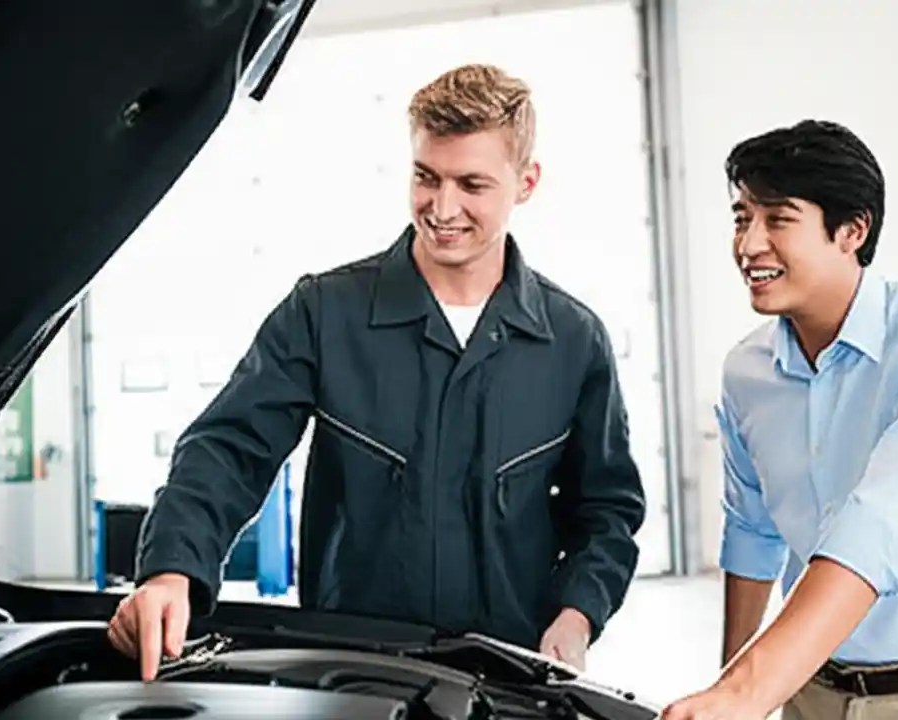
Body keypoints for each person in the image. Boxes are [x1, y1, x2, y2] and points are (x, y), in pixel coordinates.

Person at [107, 63, 647, 682]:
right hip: (353, 672)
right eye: (426, 177)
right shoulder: (323, 314)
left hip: (508, 676)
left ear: (525, 183)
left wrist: (577, 615)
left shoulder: (573, 342)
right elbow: (228, 450)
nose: (442, 207)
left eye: (472, 184)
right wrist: (172, 569)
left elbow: (606, 510)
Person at [661, 120, 898, 719]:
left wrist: (747, 691)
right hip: (814, 696)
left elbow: (879, 524)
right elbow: (752, 533)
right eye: (741, 219)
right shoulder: (746, 372)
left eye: (777, 219)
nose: (749, 245)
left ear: (852, 231)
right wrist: (730, 686)